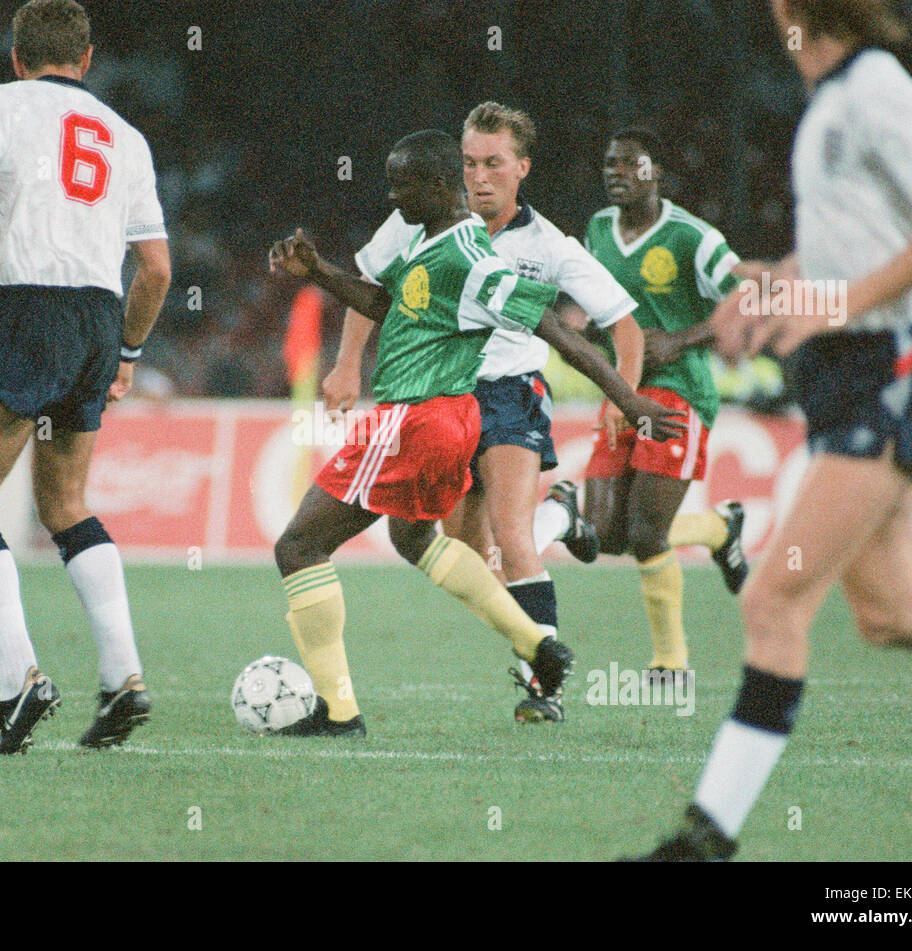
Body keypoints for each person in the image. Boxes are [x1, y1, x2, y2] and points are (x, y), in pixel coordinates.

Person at [633, 0, 912, 860]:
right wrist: (777, 285)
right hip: (848, 377)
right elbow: (862, 246)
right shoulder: (831, 105)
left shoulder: (877, 90)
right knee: (894, 611)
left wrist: (833, 303)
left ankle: (705, 839)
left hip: (891, 373)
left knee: (773, 597)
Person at [267, 129, 685, 737]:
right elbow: (389, 305)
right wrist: (318, 271)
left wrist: (627, 397)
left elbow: (553, 329)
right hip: (447, 418)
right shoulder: (431, 240)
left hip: (416, 418)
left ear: (439, 188)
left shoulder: (471, 259)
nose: (392, 194)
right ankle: (538, 646)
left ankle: (339, 712)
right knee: (417, 541)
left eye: (402, 184)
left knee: (298, 547)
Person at [0, 0, 171, 754]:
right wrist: (125, 355)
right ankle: (124, 675)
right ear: (87, 59)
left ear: (18, 57)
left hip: (27, 311)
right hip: (97, 318)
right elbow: (155, 270)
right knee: (65, 503)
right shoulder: (127, 137)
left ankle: (19, 679)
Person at [566, 127, 752, 680]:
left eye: (629, 163)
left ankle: (671, 663)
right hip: (623, 389)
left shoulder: (692, 237)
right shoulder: (597, 230)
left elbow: (749, 294)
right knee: (603, 536)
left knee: (647, 534)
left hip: (678, 392)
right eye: (609, 162)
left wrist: (683, 338)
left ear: (656, 172)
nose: (615, 171)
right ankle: (720, 531)